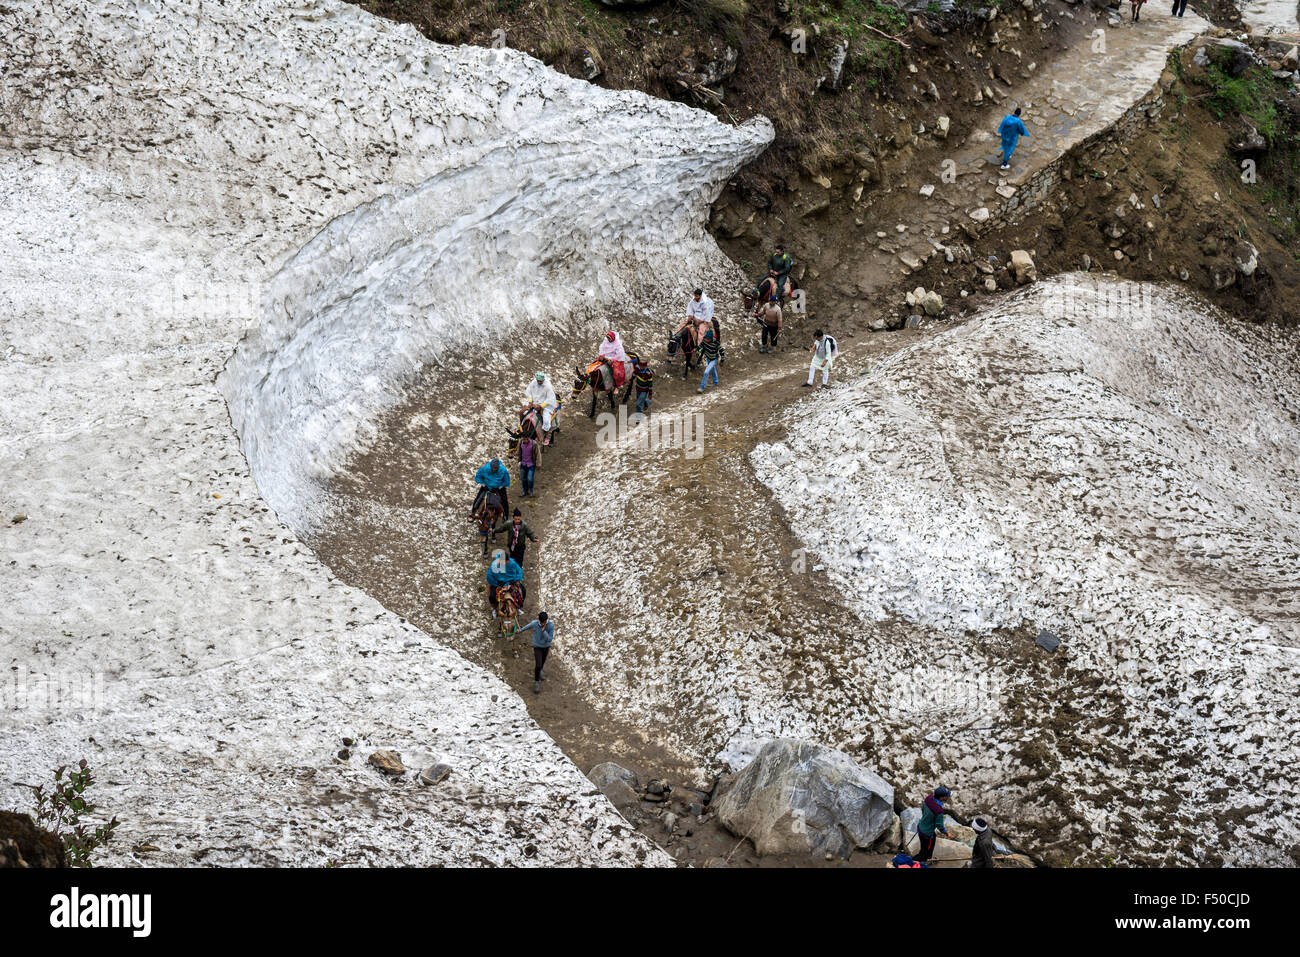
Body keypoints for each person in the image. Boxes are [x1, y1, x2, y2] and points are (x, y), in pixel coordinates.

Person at [517, 610, 555, 693]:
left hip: (546, 647)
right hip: (537, 646)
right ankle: (536, 681)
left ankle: (541, 670)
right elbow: (528, 626)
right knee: (538, 664)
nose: (541, 624)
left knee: (542, 661)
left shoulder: (550, 626)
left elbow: (549, 639)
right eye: (540, 622)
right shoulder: (535, 623)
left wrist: (544, 631)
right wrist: (520, 630)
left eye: (543, 623)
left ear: (546, 621)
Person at [914, 785, 951, 863]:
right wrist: (947, 833)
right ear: (941, 798)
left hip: (920, 827)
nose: (948, 797)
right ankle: (924, 860)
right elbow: (939, 826)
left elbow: (923, 809)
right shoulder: (938, 810)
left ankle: (922, 858)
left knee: (923, 848)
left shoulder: (929, 798)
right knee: (926, 851)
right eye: (946, 796)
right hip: (927, 834)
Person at [485, 549, 524, 617]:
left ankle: (518, 607)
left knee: (523, 590)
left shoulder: (512, 563)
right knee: (492, 596)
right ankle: (494, 608)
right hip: (498, 583)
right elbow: (489, 576)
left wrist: (512, 582)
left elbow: (519, 572)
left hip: (511, 582)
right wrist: (499, 585)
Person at [523, 371, 558, 441]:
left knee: (546, 419)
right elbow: (529, 392)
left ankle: (547, 434)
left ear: (543, 380)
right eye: (538, 381)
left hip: (546, 405)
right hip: (534, 402)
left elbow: (550, 399)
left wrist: (541, 406)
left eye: (541, 381)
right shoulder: (533, 383)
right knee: (522, 412)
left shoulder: (548, 386)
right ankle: (522, 426)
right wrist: (530, 401)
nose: (539, 382)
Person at [698, 328, 720, 393]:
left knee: (706, 372)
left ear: (710, 338)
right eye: (705, 338)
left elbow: (721, 350)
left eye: (707, 339)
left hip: (714, 359)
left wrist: (722, 360)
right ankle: (715, 382)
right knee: (713, 369)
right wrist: (698, 350)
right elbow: (700, 347)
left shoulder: (716, 343)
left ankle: (702, 387)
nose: (705, 340)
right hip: (708, 358)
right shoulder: (704, 341)